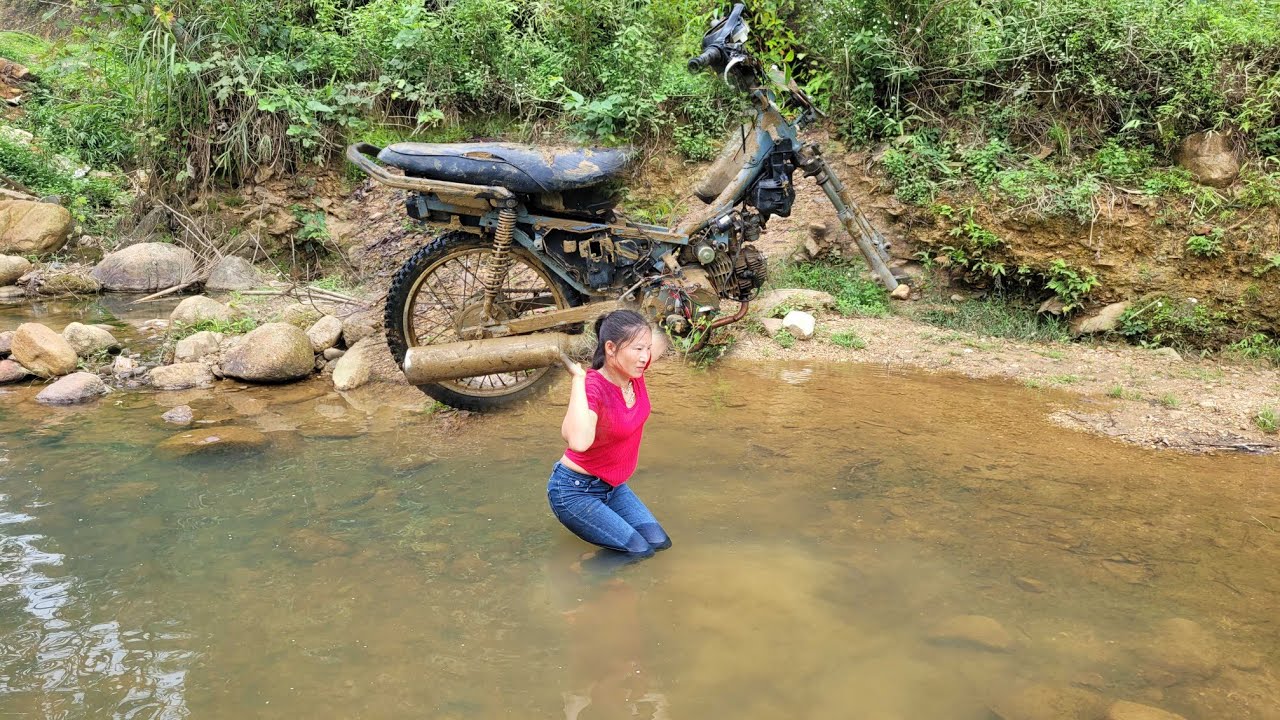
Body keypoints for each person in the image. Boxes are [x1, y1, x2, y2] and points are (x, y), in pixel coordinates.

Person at [548, 309, 671, 563]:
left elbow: (661, 339)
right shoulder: (593, 388)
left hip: (612, 488)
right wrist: (578, 381)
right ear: (611, 348)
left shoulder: (632, 373)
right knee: (637, 551)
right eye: (638, 349)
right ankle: (583, 572)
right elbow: (578, 441)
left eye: (646, 349)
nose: (645, 357)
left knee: (659, 543)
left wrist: (673, 309)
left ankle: (598, 555)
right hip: (574, 491)